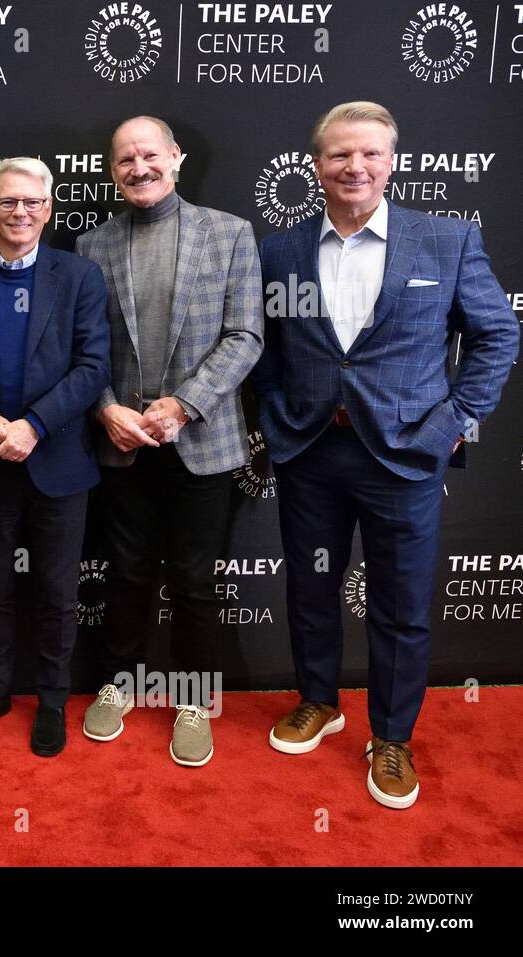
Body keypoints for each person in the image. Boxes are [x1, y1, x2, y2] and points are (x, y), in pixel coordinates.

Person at [253, 101, 518, 808]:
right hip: (311, 453)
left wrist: (454, 420)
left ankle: (391, 735)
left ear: (393, 161)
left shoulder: (447, 241)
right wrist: (279, 415)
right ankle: (318, 699)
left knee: (401, 607)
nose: (355, 167)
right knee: (310, 591)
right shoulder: (279, 249)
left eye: (369, 153)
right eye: (340, 155)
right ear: (317, 165)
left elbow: (496, 335)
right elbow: (269, 350)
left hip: (405, 459)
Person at [75, 116, 263, 767]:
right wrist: (103, 410)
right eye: (124, 158)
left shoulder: (231, 233)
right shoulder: (91, 244)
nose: (138, 166)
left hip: (202, 443)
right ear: (113, 170)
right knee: (125, 575)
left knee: (193, 581)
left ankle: (191, 698)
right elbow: (84, 348)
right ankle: (118, 682)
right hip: (123, 445)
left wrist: (183, 405)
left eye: (149, 154)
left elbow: (246, 336)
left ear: (176, 157)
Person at [0, 157, 111, 757]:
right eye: (8, 202)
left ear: (49, 208)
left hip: (58, 459)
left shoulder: (80, 276)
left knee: (56, 588)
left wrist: (35, 425)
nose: (21, 212)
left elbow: (94, 367)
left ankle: (51, 699)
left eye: (33, 203)